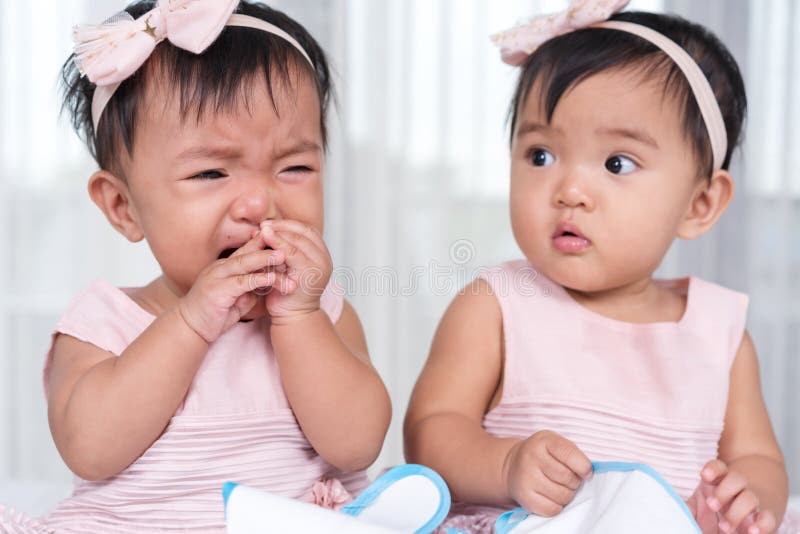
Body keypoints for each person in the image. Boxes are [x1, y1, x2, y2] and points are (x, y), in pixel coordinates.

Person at [404, 2, 798, 533]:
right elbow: (430, 431)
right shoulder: (497, 304)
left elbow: (758, 458)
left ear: (699, 204)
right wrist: (505, 465)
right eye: (541, 155)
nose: (570, 191)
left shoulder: (719, 331)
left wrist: (743, 502)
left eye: (617, 163)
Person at [0, 1, 391, 531]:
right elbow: (89, 449)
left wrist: (300, 318)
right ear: (123, 206)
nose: (260, 203)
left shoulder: (322, 312)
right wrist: (191, 322)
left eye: (295, 166)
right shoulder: (105, 323)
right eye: (211, 173)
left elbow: (357, 445)